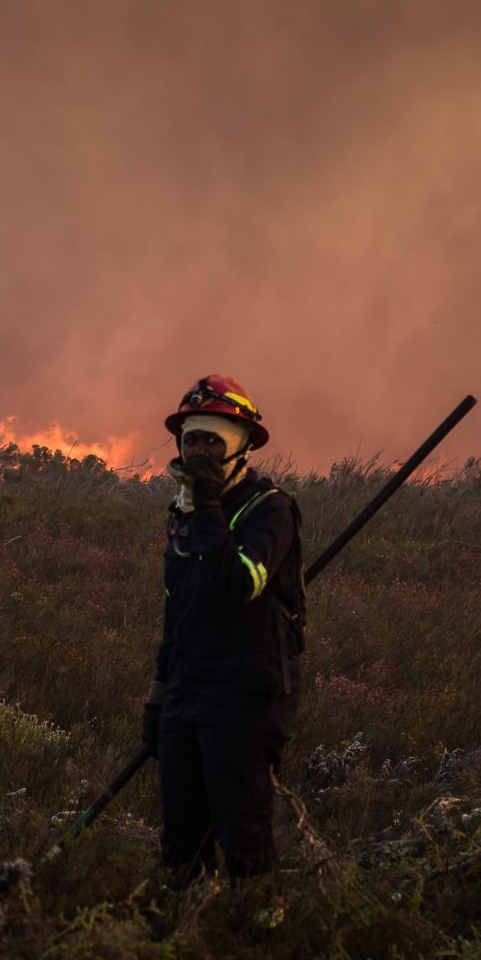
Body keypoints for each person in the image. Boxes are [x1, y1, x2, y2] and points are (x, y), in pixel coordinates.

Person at [142, 374, 305, 881]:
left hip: (244, 697)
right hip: (187, 695)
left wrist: (209, 508)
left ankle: (259, 942)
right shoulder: (183, 514)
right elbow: (179, 611)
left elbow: (237, 586)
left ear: (241, 445)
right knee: (181, 845)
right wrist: (158, 696)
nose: (199, 451)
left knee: (245, 838)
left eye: (213, 439)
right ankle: (183, 943)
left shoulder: (270, 509)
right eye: (191, 439)